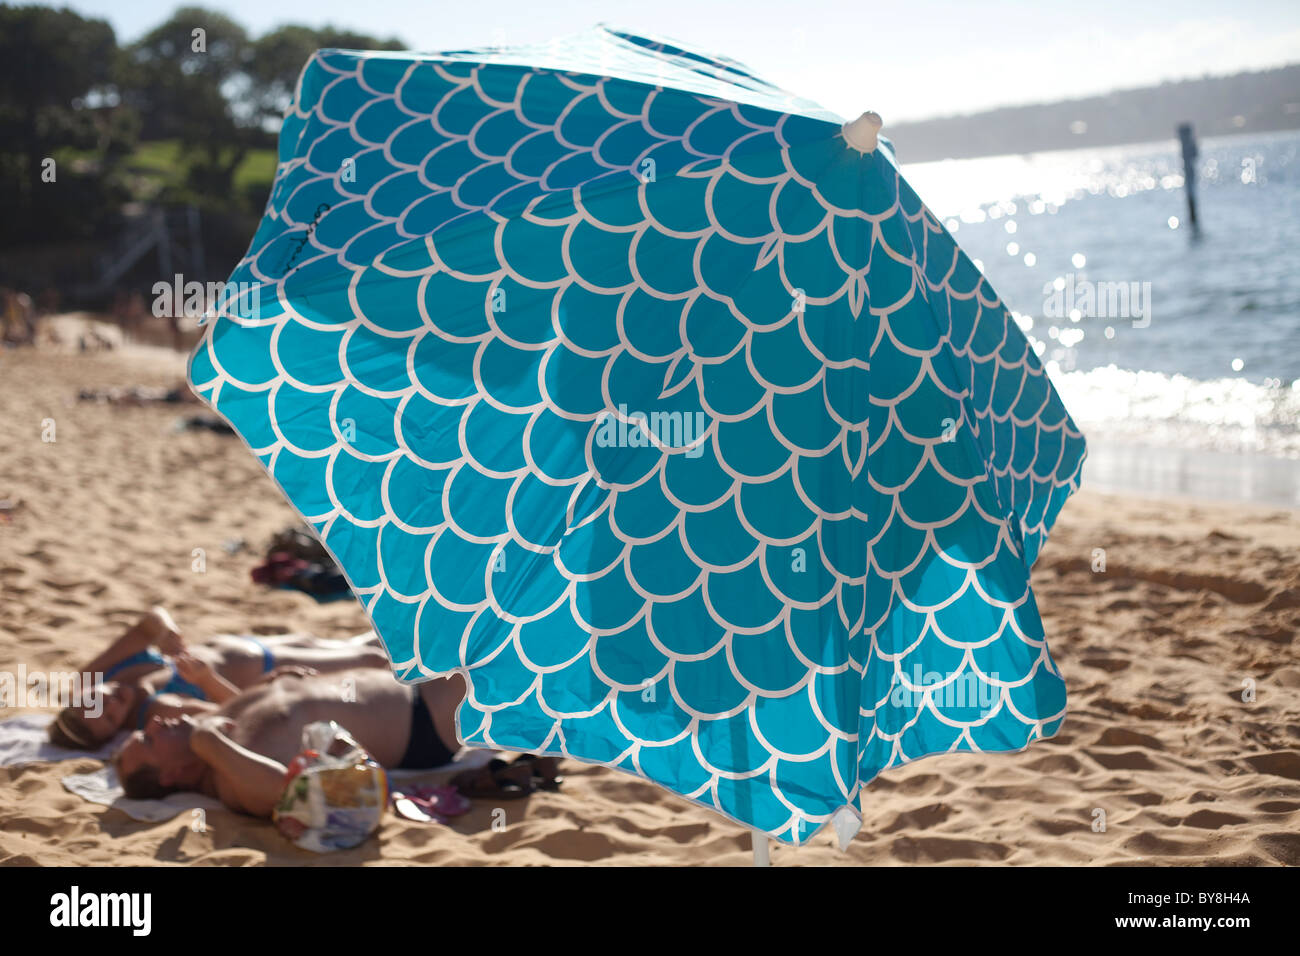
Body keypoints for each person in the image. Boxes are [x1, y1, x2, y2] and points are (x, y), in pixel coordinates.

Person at [113, 667, 471, 817]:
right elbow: (284, 793)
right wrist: (207, 742)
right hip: (425, 716)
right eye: (148, 738)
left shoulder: (214, 728)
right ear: (171, 776)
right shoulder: (230, 779)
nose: (155, 723)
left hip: (406, 678)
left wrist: (275, 686)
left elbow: (271, 721)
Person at [48, 607, 390, 749]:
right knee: (374, 658)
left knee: (360, 642)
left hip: (246, 642)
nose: (113, 704)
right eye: (111, 719)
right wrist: (206, 679)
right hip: (268, 666)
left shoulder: (93, 675)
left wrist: (166, 632)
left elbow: (149, 620)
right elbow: (239, 709)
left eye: (98, 701)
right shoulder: (156, 712)